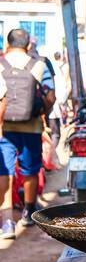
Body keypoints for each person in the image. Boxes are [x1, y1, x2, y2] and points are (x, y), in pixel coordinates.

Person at [0, 27, 55, 237]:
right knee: (30, 169)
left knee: (4, 171)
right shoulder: (39, 64)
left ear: (8, 44)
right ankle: (28, 211)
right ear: (28, 45)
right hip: (32, 126)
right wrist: (43, 112)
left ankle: (7, 223)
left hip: (5, 128)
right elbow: (51, 96)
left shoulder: (0, 63)